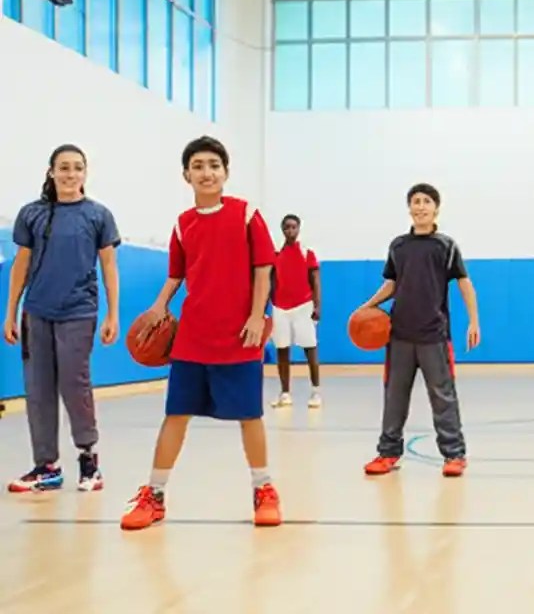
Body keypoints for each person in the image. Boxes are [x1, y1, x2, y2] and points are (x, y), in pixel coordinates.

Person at [120, 136, 280, 530]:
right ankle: (154, 495)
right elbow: (177, 274)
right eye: (198, 166)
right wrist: (159, 306)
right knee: (176, 414)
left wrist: (257, 316)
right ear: (186, 175)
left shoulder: (247, 214)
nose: (206, 172)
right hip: (193, 336)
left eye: (214, 165)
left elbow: (263, 268)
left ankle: (264, 489)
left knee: (250, 416)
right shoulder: (183, 223)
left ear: (225, 172)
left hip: (240, 334)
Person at [3, 144, 120, 493]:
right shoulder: (32, 214)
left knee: (74, 385)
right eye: (64, 168)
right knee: (38, 391)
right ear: (51, 171)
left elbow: (109, 266)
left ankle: (89, 461)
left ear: (85, 174)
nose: (71, 174)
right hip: (36, 312)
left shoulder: (98, 215)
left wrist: (112, 314)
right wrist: (10, 311)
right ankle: (46, 467)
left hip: (78, 312)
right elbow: (20, 265)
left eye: (77, 168)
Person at [359, 183, 480, 479]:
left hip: (434, 335)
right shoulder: (398, 246)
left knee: (443, 397)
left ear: (436, 208)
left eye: (427, 201)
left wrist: (474, 321)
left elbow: (464, 283)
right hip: (399, 335)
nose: (421, 206)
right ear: (409, 208)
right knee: (394, 396)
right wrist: (366, 307)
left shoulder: (446, 246)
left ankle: (454, 454)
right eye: (416, 201)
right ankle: (388, 453)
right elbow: (392, 284)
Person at [268, 214, 322, 409]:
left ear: (299, 229)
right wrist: (268, 306)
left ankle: (315, 391)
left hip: (303, 306)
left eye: (293, 227)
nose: (290, 230)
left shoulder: (307, 252)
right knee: (282, 349)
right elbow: (271, 282)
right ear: (283, 230)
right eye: (287, 227)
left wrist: (317, 306)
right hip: (280, 308)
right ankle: (285, 393)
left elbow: (315, 280)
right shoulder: (276, 255)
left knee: (310, 348)